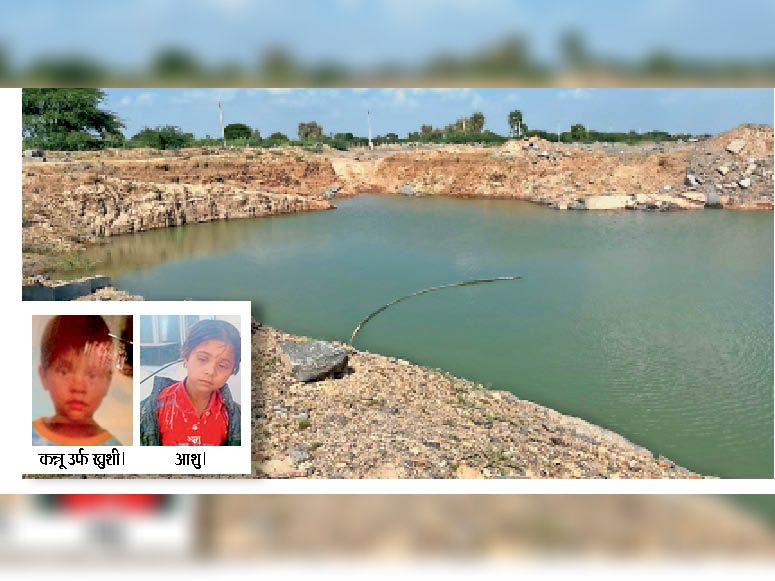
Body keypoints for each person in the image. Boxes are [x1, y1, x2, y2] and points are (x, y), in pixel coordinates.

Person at [140, 319, 241, 446]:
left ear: (232, 369)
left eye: (222, 365)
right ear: (186, 356)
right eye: (203, 359)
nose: (210, 371)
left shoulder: (237, 419)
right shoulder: (150, 410)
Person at [33, 315, 122, 446]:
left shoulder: (113, 450)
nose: (78, 387)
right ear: (43, 375)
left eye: (92, 375)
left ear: (108, 382)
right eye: (64, 371)